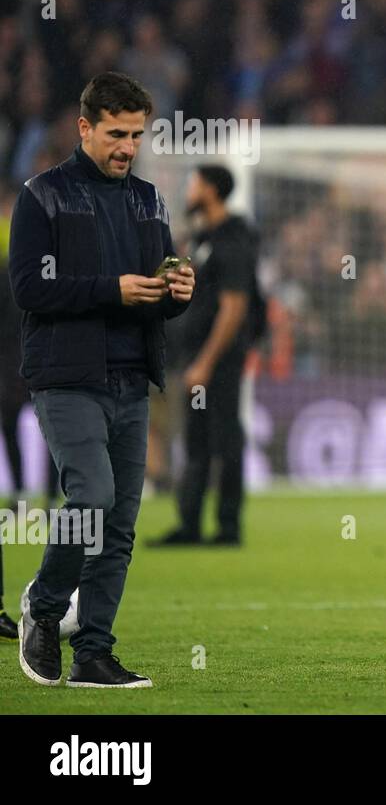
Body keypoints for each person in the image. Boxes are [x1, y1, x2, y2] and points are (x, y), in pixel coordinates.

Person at [9, 72, 194, 687]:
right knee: (91, 498)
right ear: (84, 127)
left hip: (131, 378)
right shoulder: (43, 196)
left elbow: (153, 293)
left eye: (137, 135)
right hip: (67, 376)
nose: (127, 147)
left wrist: (176, 293)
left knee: (118, 525)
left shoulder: (148, 200)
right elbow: (30, 289)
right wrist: (112, 290)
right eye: (116, 134)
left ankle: (94, 652)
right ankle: (43, 609)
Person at [151, 165, 259, 546]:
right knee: (196, 440)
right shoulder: (203, 238)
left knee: (225, 438)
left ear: (211, 190)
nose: (189, 188)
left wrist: (206, 362)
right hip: (196, 356)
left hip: (221, 360)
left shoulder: (232, 239)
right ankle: (190, 524)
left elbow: (234, 306)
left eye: (194, 182)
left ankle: (228, 526)